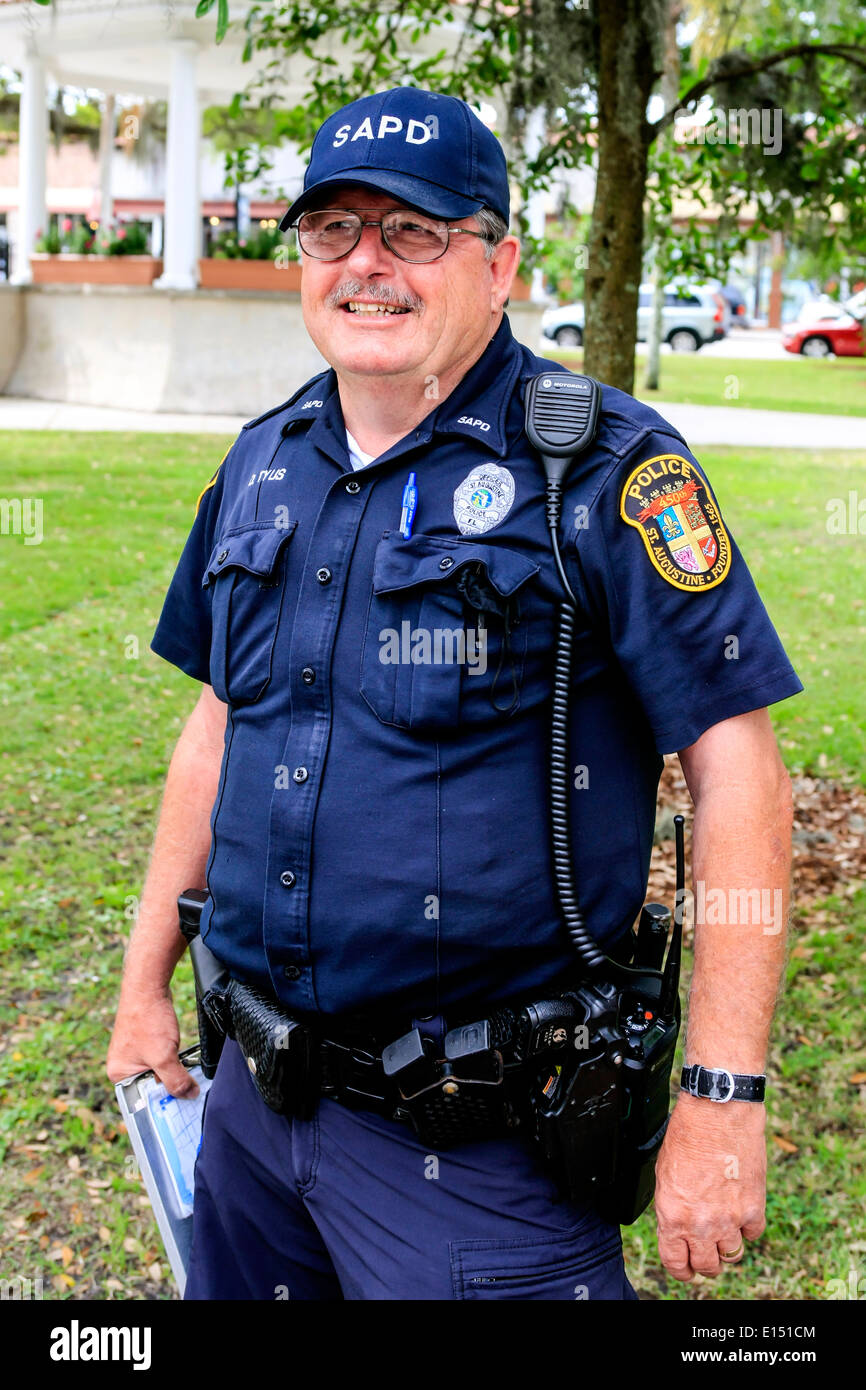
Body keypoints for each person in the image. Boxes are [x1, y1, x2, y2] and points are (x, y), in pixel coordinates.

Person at [107, 86, 801, 1300]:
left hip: (479, 1158)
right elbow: (217, 729)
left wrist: (720, 1095)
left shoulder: (600, 469)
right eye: (334, 231)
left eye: (414, 232)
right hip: (253, 1113)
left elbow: (735, 765)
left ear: (498, 262)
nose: (367, 265)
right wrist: (142, 986)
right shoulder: (261, 463)